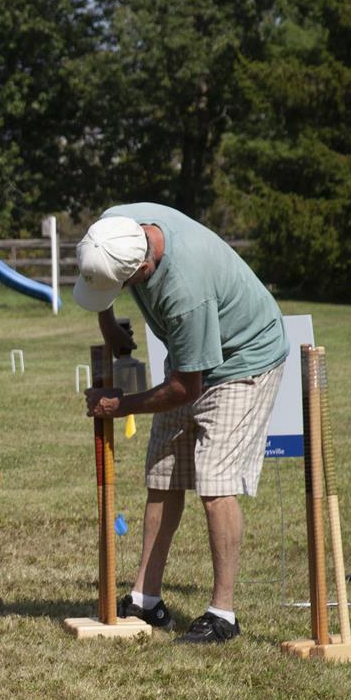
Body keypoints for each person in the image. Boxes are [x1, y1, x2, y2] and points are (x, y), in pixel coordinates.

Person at [75, 205, 288, 644]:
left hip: (242, 360)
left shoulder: (185, 290)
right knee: (163, 475)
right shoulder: (113, 229)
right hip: (190, 356)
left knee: (214, 481)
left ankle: (222, 615)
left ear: (146, 267)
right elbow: (102, 279)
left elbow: (187, 388)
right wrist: (108, 321)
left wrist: (122, 404)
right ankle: (145, 600)